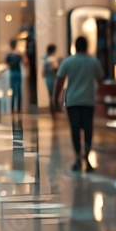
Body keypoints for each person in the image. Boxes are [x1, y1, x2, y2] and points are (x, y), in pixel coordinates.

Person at [53, 36, 104, 173]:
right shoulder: (93, 61)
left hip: (72, 101)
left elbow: (59, 80)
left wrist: (55, 99)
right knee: (88, 130)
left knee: (75, 130)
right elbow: (100, 80)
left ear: (75, 47)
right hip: (88, 100)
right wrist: (102, 99)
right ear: (87, 46)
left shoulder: (68, 61)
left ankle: (77, 159)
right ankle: (87, 159)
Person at [6, 40, 27, 114]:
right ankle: (18, 108)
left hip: (12, 73)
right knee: (19, 91)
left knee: (13, 91)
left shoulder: (9, 54)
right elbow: (25, 62)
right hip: (18, 73)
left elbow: (7, 65)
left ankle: (12, 108)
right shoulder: (18, 54)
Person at [43, 44, 60, 115]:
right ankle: (55, 109)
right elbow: (54, 68)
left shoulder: (45, 58)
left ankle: (52, 109)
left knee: (50, 95)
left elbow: (43, 71)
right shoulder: (52, 59)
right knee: (54, 94)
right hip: (53, 78)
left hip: (47, 78)